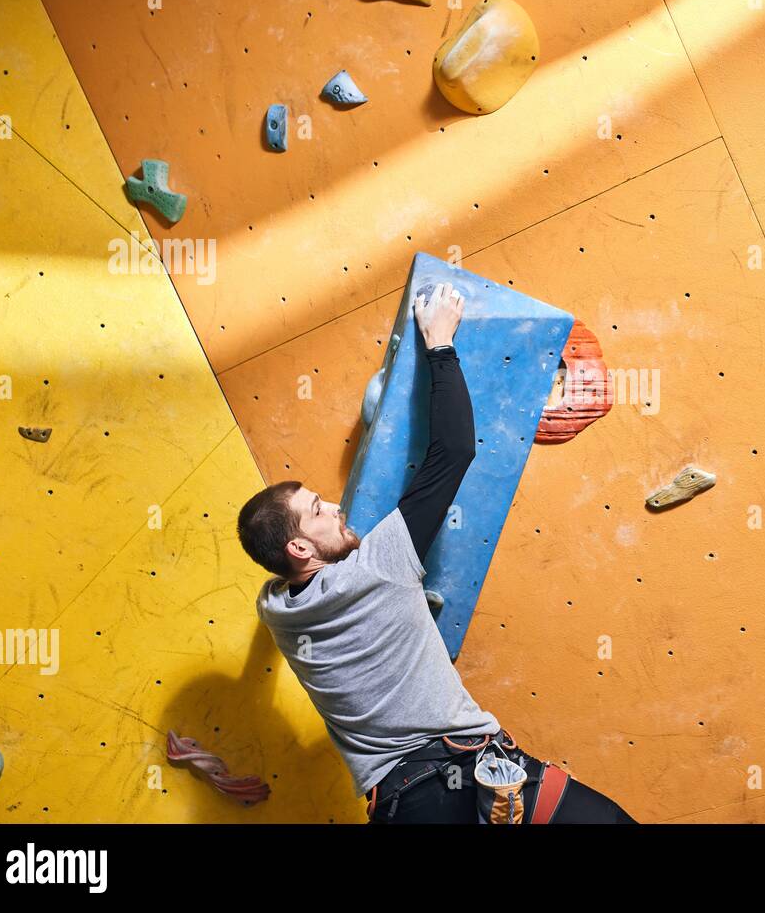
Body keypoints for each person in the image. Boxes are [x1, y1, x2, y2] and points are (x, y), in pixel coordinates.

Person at [237, 282, 636, 824]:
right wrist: (440, 343)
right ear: (300, 546)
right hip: (463, 772)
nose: (334, 506)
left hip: (402, 808)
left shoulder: (276, 607)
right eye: (317, 509)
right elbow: (452, 450)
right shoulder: (377, 566)